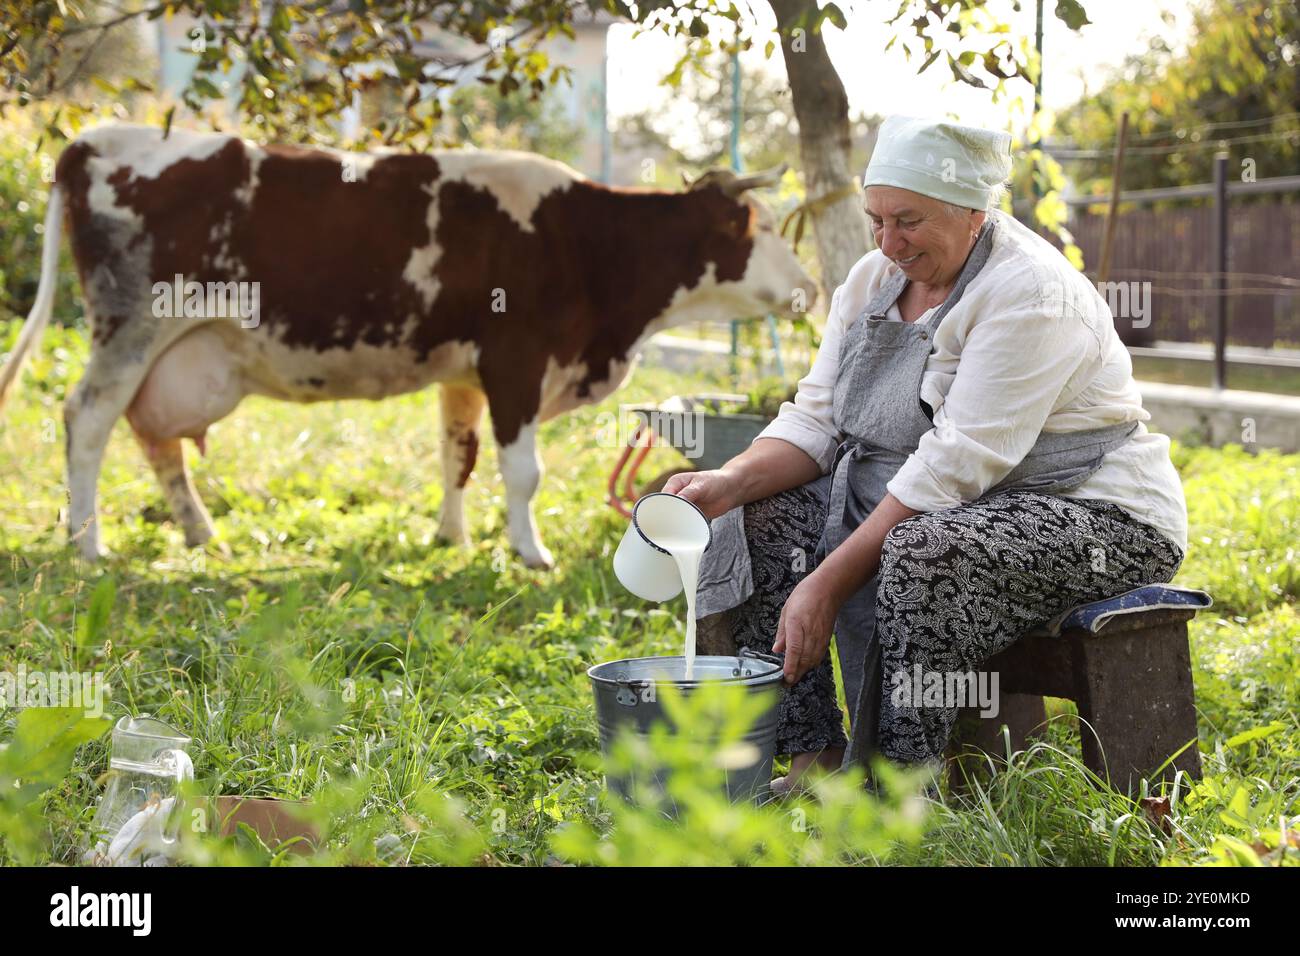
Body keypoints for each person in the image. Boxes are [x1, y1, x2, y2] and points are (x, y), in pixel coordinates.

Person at [665, 115, 1189, 795]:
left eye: (907, 220)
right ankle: (812, 764)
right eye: (875, 218)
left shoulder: (1030, 293)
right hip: (947, 503)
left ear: (972, 212)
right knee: (760, 514)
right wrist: (728, 483)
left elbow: (953, 465)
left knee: (924, 551)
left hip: (1097, 514)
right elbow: (818, 417)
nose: (888, 242)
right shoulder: (871, 281)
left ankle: (897, 792)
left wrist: (825, 585)